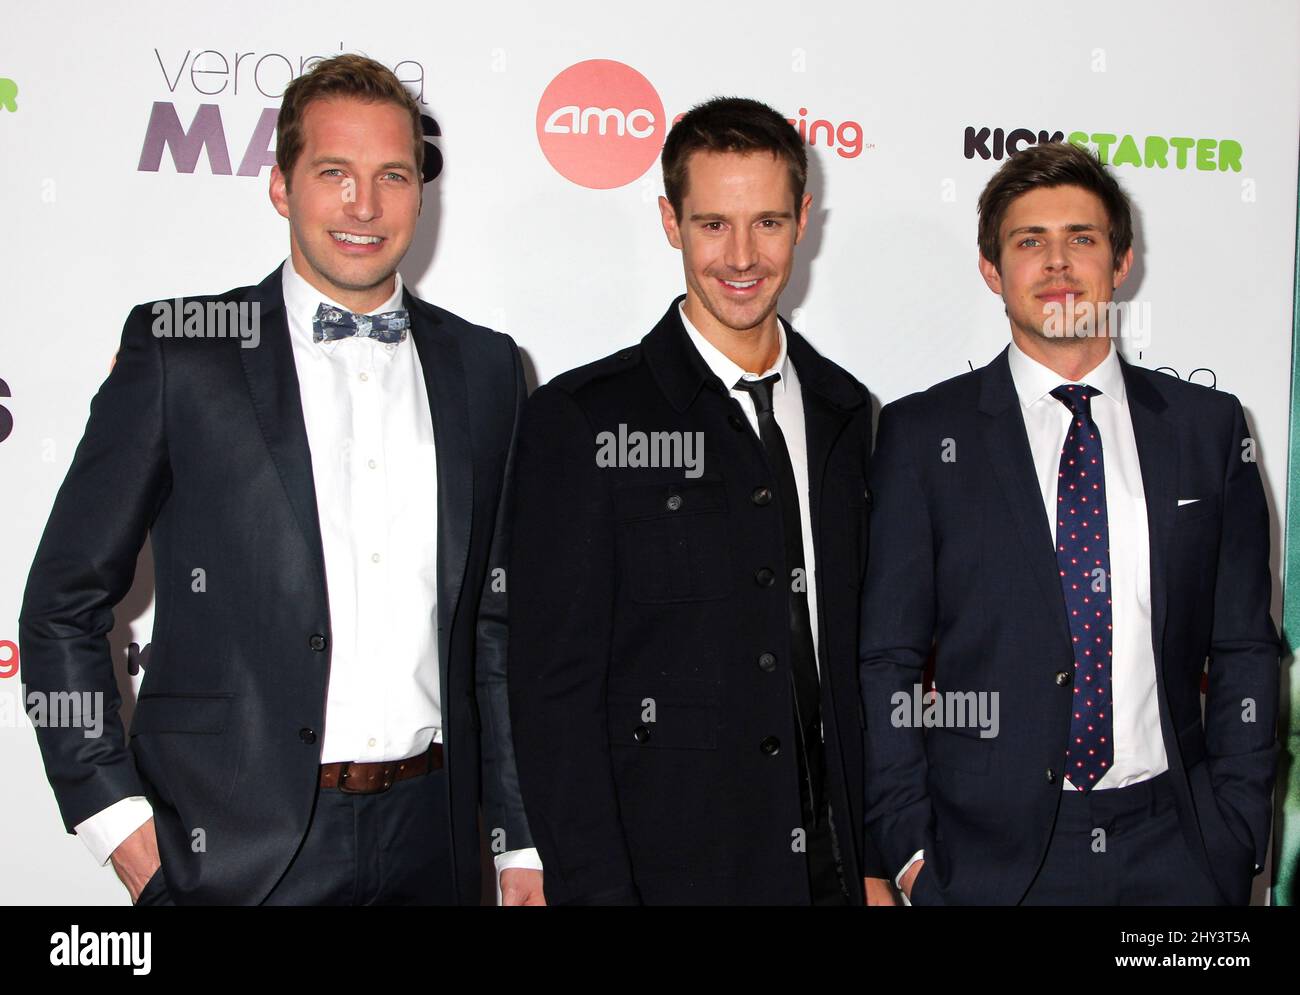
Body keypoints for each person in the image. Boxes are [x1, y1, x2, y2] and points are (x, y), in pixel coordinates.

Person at [19, 54, 543, 905]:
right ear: (279, 186)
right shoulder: (182, 351)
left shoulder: (486, 368)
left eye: (392, 176)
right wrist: (112, 818)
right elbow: (57, 606)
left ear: (421, 191)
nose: (364, 206)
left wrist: (516, 838)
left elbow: (496, 626)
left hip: (434, 846)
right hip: (231, 853)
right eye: (333, 173)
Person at [859, 140, 1279, 905]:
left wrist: (1238, 829)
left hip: (1178, 846)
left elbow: (1245, 644)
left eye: (1081, 239)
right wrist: (910, 847)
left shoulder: (1207, 429)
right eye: (1030, 242)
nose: (1057, 264)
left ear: (1120, 263)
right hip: (984, 858)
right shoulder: (924, 437)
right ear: (993, 271)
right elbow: (887, 657)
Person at [508, 96, 891, 904]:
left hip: (828, 868)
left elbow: (856, 665)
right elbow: (553, 695)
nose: (743, 255)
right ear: (669, 220)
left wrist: (871, 857)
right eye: (714, 223)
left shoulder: (845, 412)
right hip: (664, 877)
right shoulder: (583, 419)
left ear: (804, 220)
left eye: (768, 223)